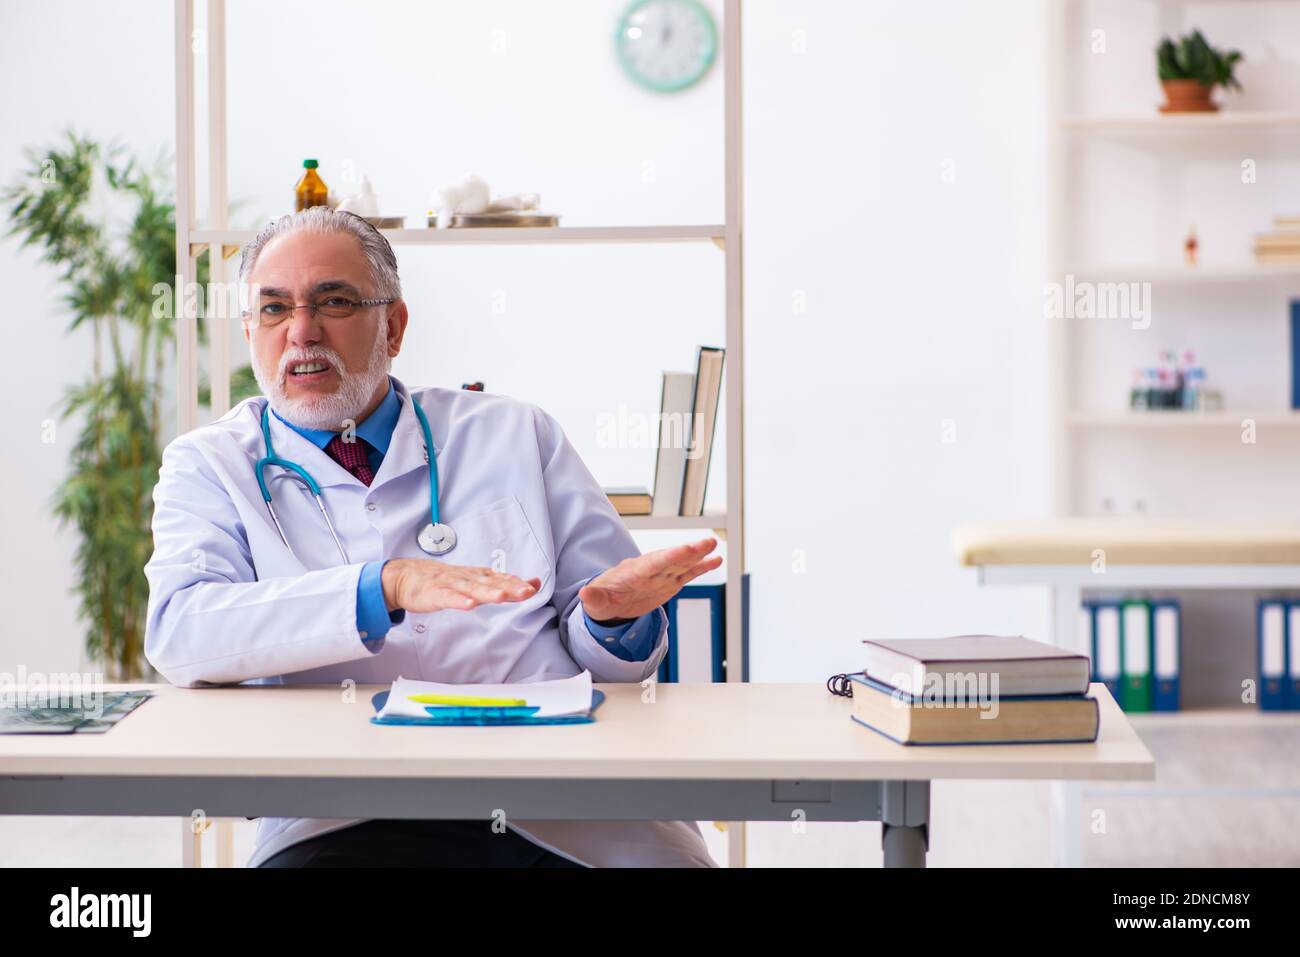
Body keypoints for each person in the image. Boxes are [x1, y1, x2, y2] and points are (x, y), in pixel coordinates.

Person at [144, 207, 722, 867]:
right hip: (343, 811)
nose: (301, 332)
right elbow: (180, 629)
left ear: (393, 324)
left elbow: (615, 653)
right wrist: (381, 585)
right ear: (250, 329)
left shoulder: (514, 433)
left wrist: (610, 619)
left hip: (563, 796)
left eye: (333, 301)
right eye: (275, 309)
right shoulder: (211, 464)